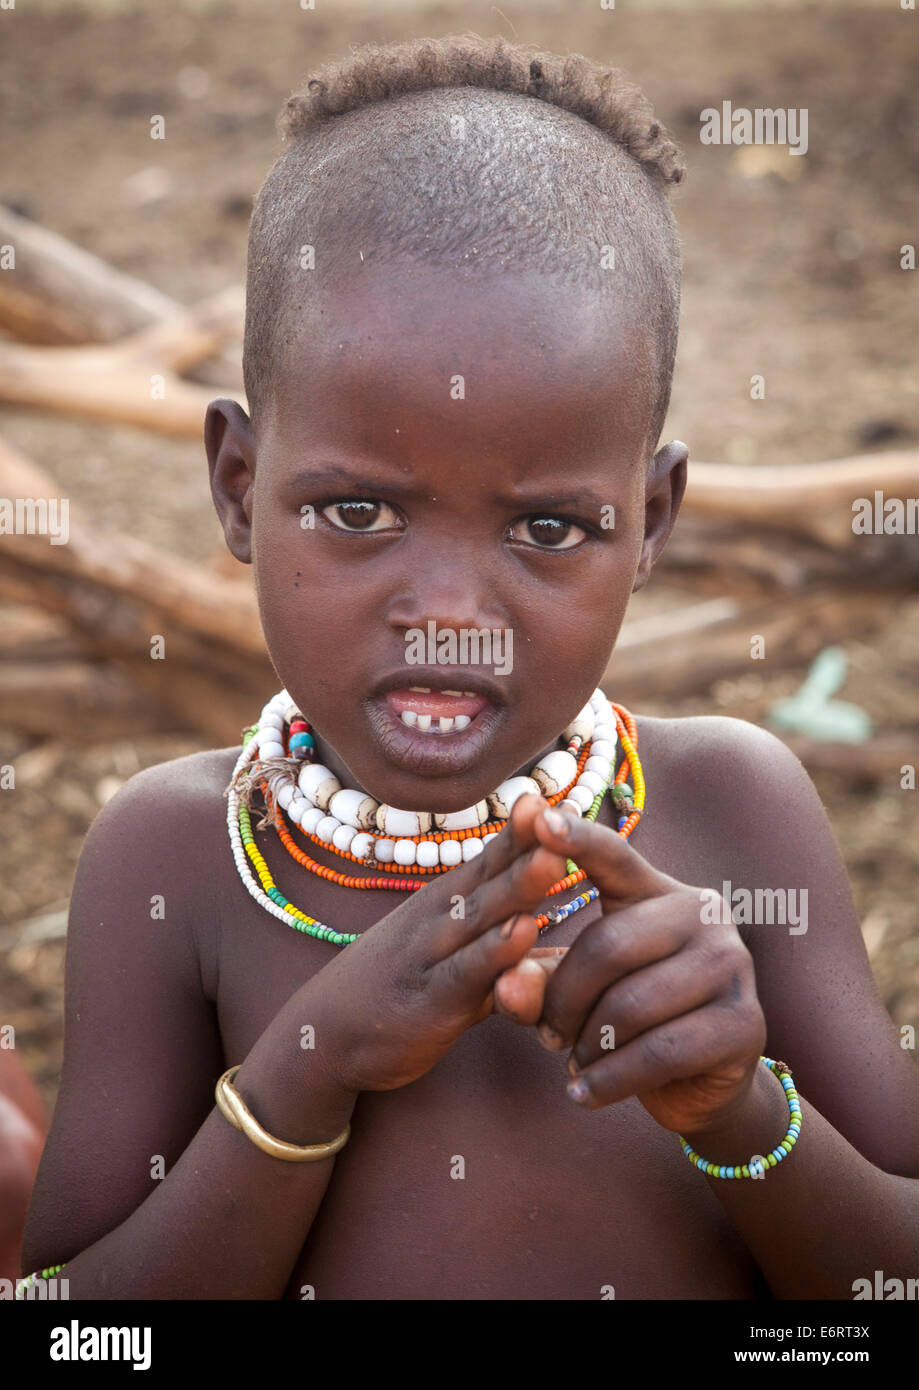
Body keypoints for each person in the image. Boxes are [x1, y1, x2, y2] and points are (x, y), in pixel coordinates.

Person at [19, 34, 919, 1300]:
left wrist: (737, 1109)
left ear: (651, 521)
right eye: (355, 513)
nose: (447, 614)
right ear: (236, 486)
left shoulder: (735, 811)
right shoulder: (175, 860)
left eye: (547, 528)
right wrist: (305, 1069)